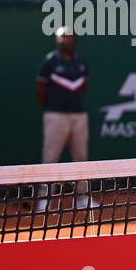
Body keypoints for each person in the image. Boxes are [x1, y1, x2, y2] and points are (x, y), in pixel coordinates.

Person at [35, 27, 98, 211]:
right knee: (50, 159)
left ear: (74, 41)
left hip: (78, 116)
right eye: (62, 38)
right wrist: (52, 107)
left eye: (69, 38)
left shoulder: (81, 63)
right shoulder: (50, 62)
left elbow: (83, 87)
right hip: (55, 116)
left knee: (81, 158)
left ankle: (82, 198)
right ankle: (44, 200)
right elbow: (40, 89)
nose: (65, 41)